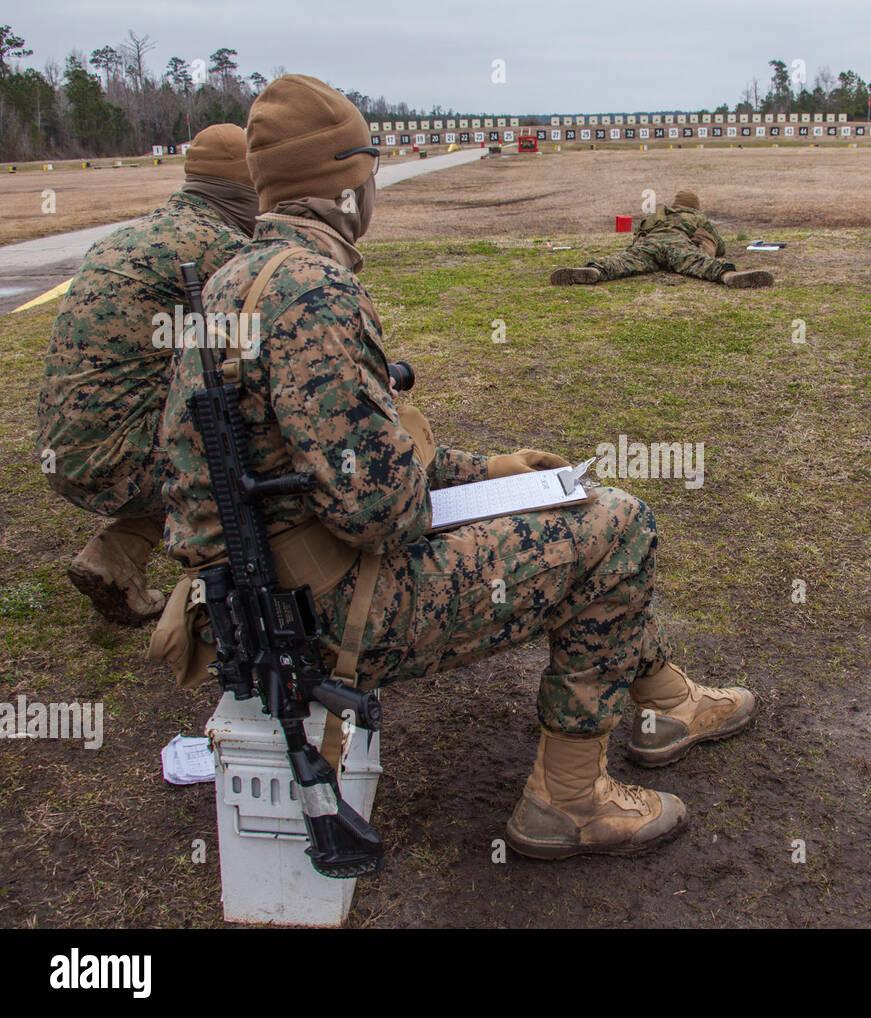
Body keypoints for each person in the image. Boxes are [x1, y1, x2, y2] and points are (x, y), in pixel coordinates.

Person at [155, 74, 757, 860]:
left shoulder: (234, 280)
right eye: (366, 170)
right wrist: (482, 494)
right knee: (619, 526)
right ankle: (569, 800)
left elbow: (323, 471)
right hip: (334, 617)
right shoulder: (312, 293)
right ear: (345, 187)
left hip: (272, 598)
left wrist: (493, 470)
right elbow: (379, 511)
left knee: (577, 515)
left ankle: (667, 702)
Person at [35, 124, 259, 625]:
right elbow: (263, 358)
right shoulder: (223, 249)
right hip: (117, 460)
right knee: (257, 442)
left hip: (65, 451)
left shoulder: (134, 234)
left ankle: (113, 558)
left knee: (197, 419)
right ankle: (233, 594)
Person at [550, 189, 774, 288]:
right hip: (676, 243)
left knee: (622, 262)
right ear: (694, 206)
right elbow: (720, 246)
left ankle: (595, 271)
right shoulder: (695, 216)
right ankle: (729, 276)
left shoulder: (656, 214)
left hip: (648, 244)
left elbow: (638, 235)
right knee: (700, 263)